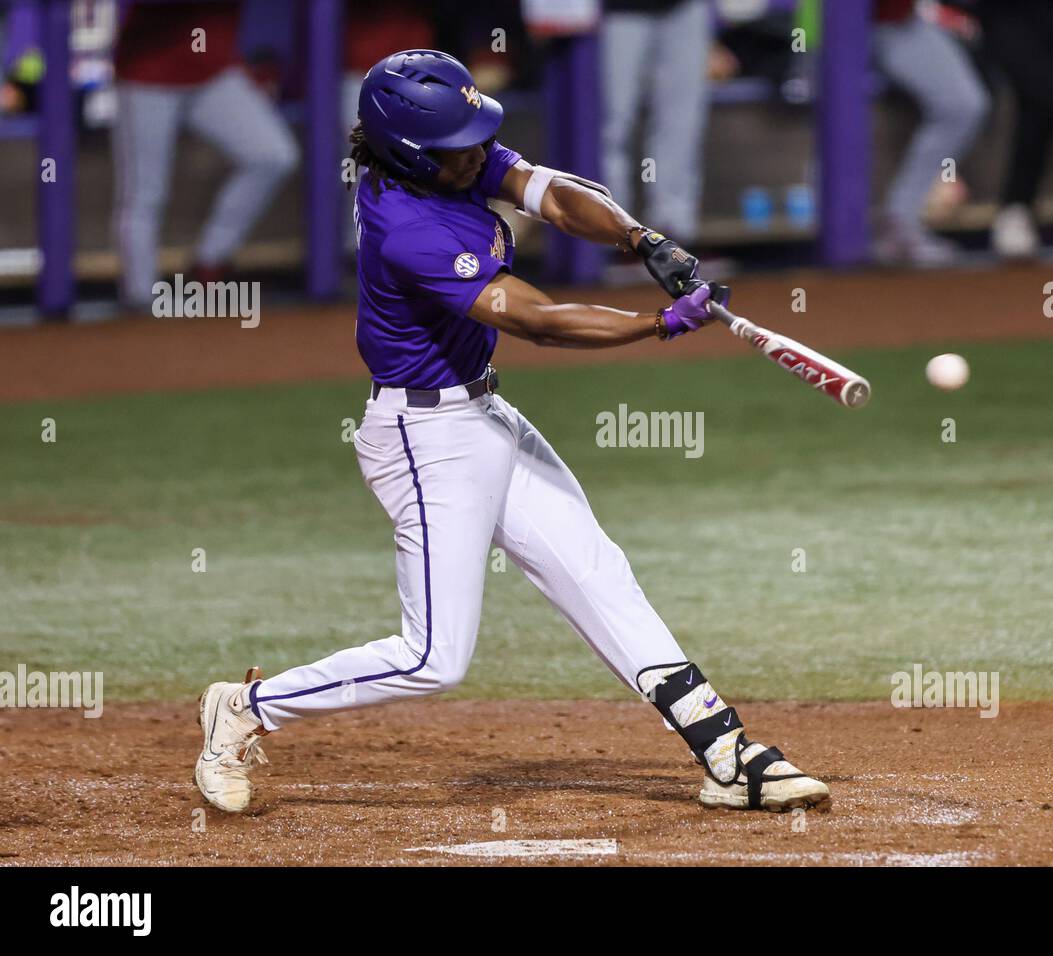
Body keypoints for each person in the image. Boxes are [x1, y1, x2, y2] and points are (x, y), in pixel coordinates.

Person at [194, 50, 830, 816]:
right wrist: (656, 324)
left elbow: (556, 195)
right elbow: (539, 320)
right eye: (458, 145)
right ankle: (244, 708)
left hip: (485, 415)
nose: (476, 153)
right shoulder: (410, 224)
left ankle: (724, 750)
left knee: (597, 573)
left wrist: (641, 241)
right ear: (409, 151)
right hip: (424, 441)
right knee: (433, 658)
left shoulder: (448, 157)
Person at [111, 0, 299, 309]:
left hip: (214, 70)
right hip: (149, 72)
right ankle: (140, 297)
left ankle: (209, 264)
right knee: (145, 192)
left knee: (273, 155)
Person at [872, 0, 990, 266]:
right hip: (832, 26)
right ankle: (841, 228)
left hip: (901, 22)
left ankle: (899, 222)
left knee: (963, 104)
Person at [978, 0, 1053, 259]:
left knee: (1049, 103)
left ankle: (1019, 211)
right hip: (1006, 16)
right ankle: (1015, 209)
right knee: (1044, 98)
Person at [601, 0, 712, 242]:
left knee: (682, 123)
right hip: (618, 12)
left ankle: (673, 234)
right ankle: (612, 234)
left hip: (686, 9)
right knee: (611, 125)